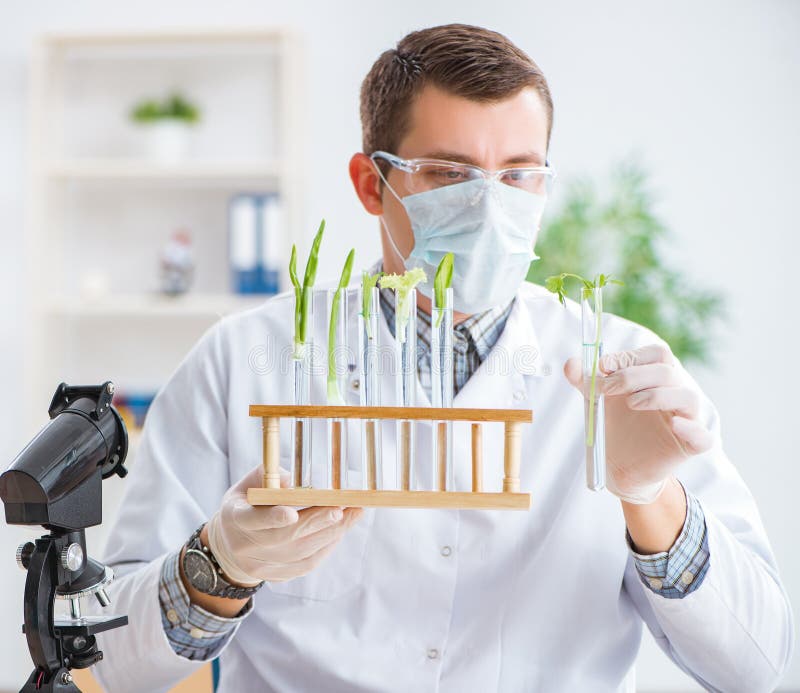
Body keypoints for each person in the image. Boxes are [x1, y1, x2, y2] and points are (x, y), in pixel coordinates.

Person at [90, 24, 793, 692]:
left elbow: (757, 664)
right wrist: (223, 562)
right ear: (372, 184)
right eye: (449, 173)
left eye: (518, 176)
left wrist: (651, 497)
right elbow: (116, 661)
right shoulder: (244, 360)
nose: (489, 207)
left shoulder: (626, 367)